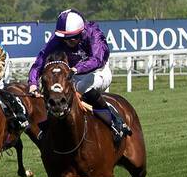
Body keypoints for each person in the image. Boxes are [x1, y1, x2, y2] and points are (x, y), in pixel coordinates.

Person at [28, 9, 129, 138]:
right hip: (73, 75)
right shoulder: (58, 39)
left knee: (83, 87)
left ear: (81, 31)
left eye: (74, 37)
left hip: (99, 72)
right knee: (55, 91)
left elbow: (97, 59)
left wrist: (77, 69)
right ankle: (51, 125)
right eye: (66, 38)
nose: (70, 41)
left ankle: (115, 119)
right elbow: (40, 62)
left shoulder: (93, 33)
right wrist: (33, 83)